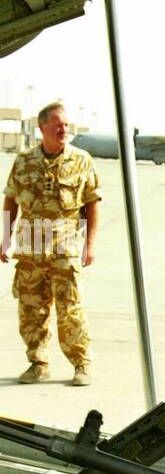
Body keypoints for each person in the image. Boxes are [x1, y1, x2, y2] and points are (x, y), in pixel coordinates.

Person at [1, 101, 99, 385]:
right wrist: (5, 240)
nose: (63, 129)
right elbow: (10, 200)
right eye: (57, 124)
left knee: (71, 311)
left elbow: (92, 204)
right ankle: (38, 363)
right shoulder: (23, 161)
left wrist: (89, 245)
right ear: (42, 126)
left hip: (65, 250)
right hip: (30, 251)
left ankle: (81, 364)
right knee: (31, 312)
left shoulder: (82, 160)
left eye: (66, 124)